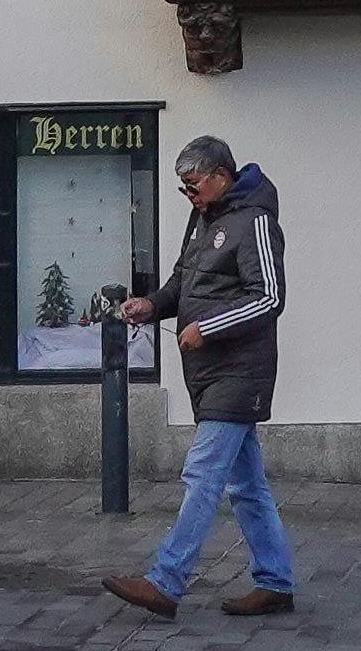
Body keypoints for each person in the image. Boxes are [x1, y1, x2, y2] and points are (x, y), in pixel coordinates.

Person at [103, 139, 293, 619]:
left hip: (240, 373)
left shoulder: (255, 222)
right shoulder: (205, 219)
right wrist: (151, 305)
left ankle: (166, 581)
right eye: (183, 187)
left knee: (203, 475)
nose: (187, 194)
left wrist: (206, 328)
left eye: (192, 185)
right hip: (207, 375)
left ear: (220, 176)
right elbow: (182, 283)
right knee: (246, 485)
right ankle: (275, 580)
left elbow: (269, 298)